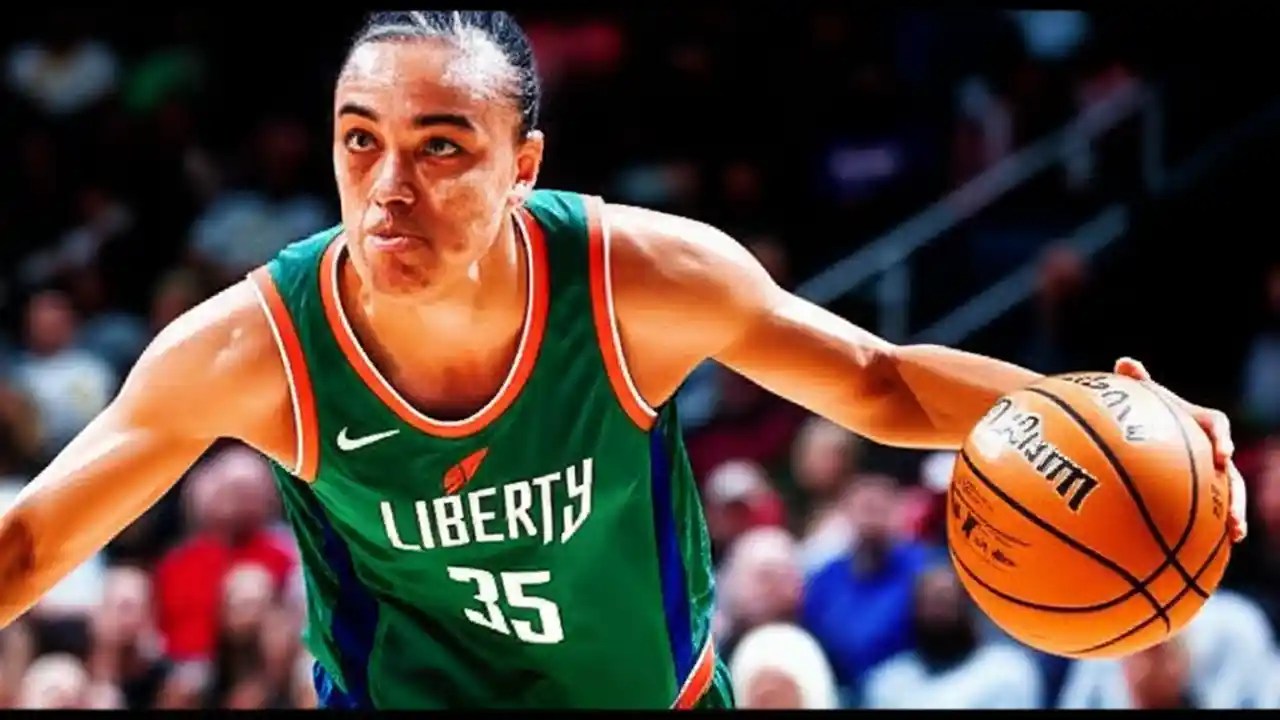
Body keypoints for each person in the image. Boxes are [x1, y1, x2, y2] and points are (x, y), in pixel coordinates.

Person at [0, 10, 1248, 710]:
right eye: (358, 141)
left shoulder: (639, 279)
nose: (388, 187)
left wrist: (1086, 405)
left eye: (441, 147)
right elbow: (33, 545)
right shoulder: (253, 350)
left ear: (523, 164)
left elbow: (875, 383)